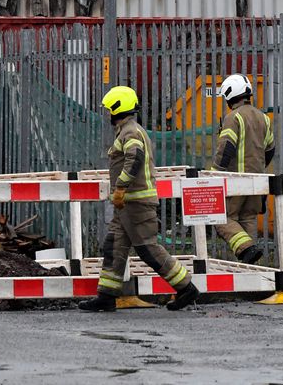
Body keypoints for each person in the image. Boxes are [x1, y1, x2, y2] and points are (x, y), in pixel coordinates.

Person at [79, 85, 200, 313]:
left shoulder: (130, 132)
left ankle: (186, 288)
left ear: (118, 108)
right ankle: (106, 296)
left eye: (109, 109)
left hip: (136, 203)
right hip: (125, 206)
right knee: (114, 247)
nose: (107, 114)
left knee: (147, 249)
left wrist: (121, 188)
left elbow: (135, 159)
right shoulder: (126, 130)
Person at [211, 74, 274, 265]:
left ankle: (246, 248)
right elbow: (270, 150)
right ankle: (251, 266)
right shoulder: (264, 118)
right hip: (257, 181)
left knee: (220, 217)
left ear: (230, 96)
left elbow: (226, 147)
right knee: (248, 219)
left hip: (235, 182)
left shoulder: (233, 117)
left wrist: (214, 173)